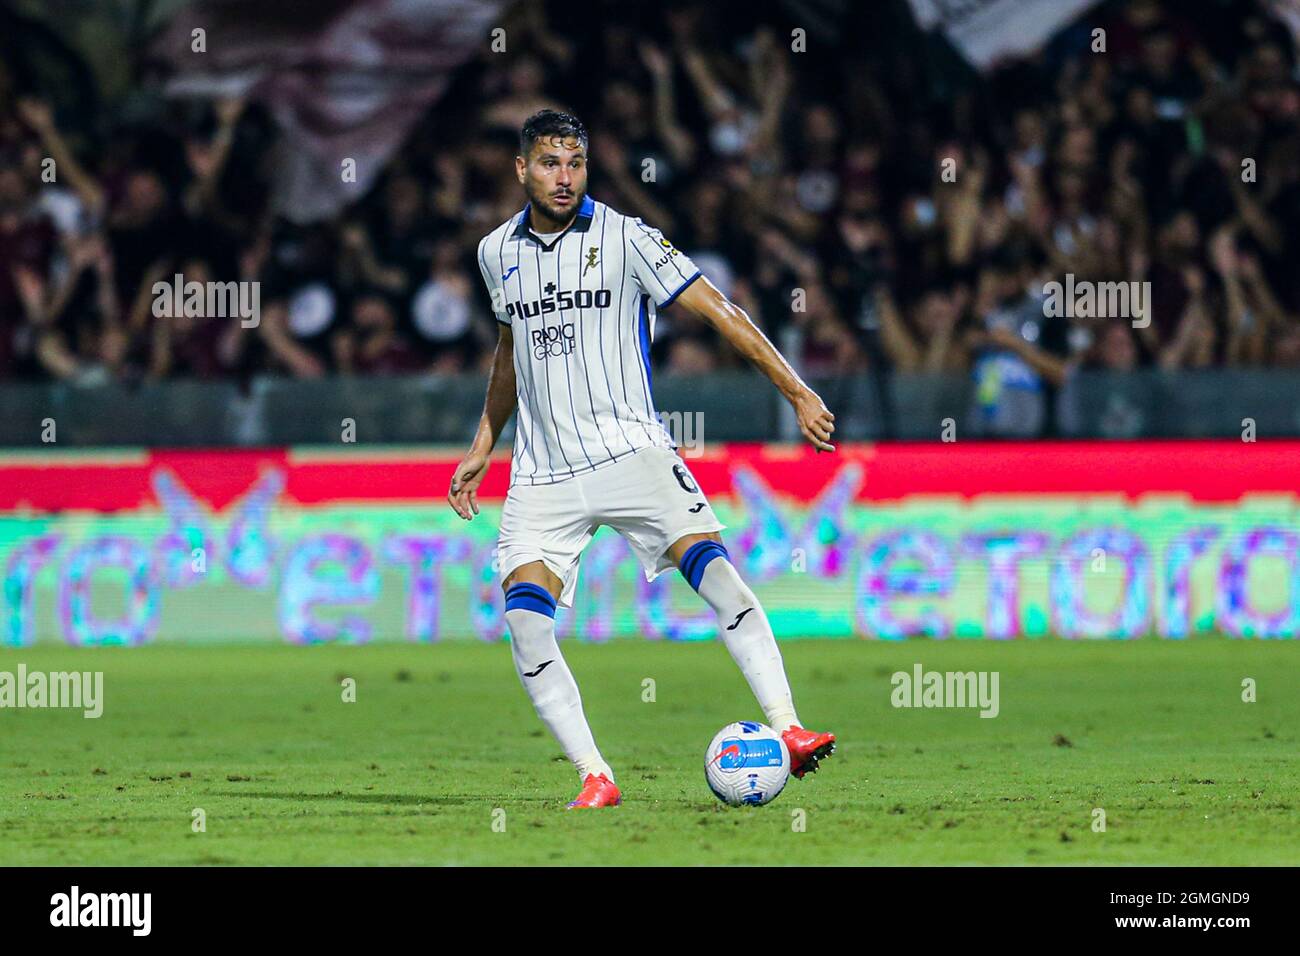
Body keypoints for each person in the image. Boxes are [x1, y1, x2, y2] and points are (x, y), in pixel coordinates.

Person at [447, 109, 837, 808]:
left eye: (575, 163)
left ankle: (790, 727)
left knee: (716, 576)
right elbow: (510, 353)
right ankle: (595, 775)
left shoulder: (629, 238)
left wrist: (797, 389)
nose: (563, 177)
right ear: (522, 169)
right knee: (525, 620)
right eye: (548, 163)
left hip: (635, 452)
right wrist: (483, 445)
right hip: (543, 473)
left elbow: (720, 310)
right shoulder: (493, 253)